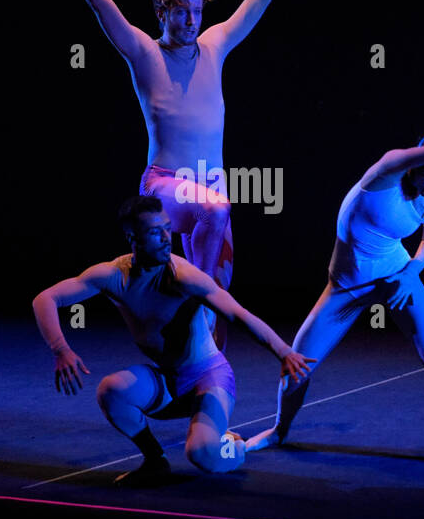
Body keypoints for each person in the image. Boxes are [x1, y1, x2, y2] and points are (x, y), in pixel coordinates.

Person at [31, 0, 274, 348]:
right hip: (164, 185)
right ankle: (188, 301)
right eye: (183, 13)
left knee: (220, 302)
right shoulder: (144, 53)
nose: (192, 22)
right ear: (163, 11)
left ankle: (206, 396)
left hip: (210, 182)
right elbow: (100, 1)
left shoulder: (215, 46)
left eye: (198, 12)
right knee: (216, 214)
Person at [244, 110, 424, 474]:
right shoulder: (386, 172)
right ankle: (278, 431)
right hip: (345, 287)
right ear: (415, 164)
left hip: (396, 277)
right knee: (298, 363)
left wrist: (411, 273)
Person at [33, 195, 313, 485]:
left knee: (203, 455)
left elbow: (238, 314)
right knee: (111, 391)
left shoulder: (184, 277)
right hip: (168, 383)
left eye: (168, 228)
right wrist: (61, 349)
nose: (168, 238)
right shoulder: (112, 275)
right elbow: (46, 299)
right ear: (133, 238)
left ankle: (235, 446)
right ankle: (155, 461)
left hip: (209, 378)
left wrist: (284, 352)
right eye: (156, 232)